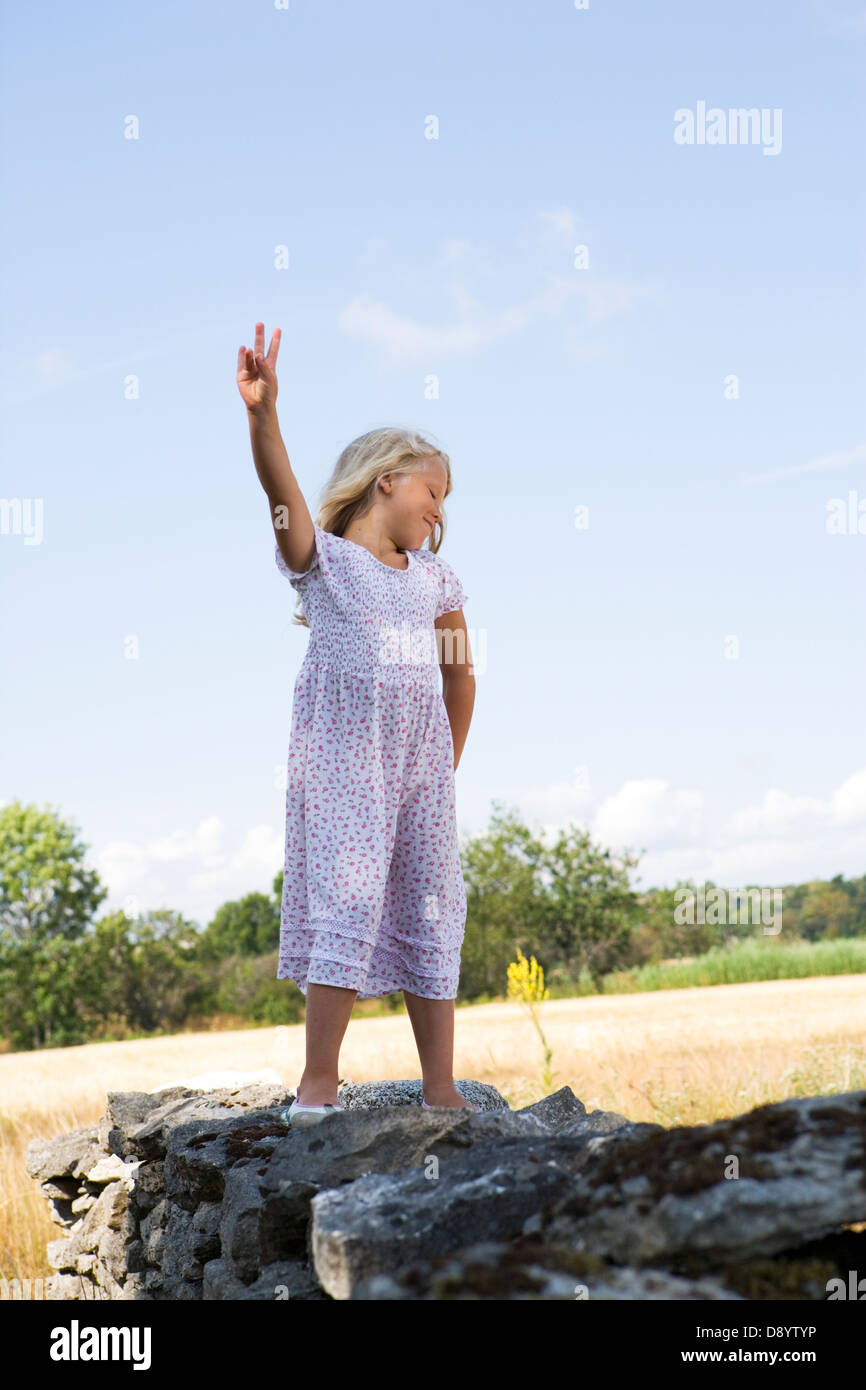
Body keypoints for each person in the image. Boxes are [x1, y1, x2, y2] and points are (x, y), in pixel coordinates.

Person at [237, 323, 478, 1126]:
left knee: (430, 902)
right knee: (347, 899)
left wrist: (442, 768)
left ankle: (440, 1088)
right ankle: (318, 1084)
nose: (438, 509)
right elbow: (284, 498)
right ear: (385, 481)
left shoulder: (437, 580)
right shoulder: (326, 565)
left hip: (421, 771)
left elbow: (460, 674)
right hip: (345, 763)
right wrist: (263, 418)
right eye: (431, 490)